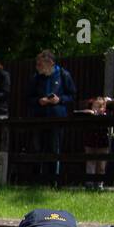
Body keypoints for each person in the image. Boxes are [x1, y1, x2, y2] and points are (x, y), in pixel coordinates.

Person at [27, 50, 76, 178]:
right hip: (39, 118)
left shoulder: (63, 75)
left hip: (57, 118)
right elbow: (28, 98)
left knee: (55, 149)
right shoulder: (35, 78)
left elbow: (72, 96)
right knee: (37, 148)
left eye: (40, 64)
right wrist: (39, 101)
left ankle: (54, 180)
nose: (38, 67)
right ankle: (37, 179)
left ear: (51, 63)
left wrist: (59, 100)